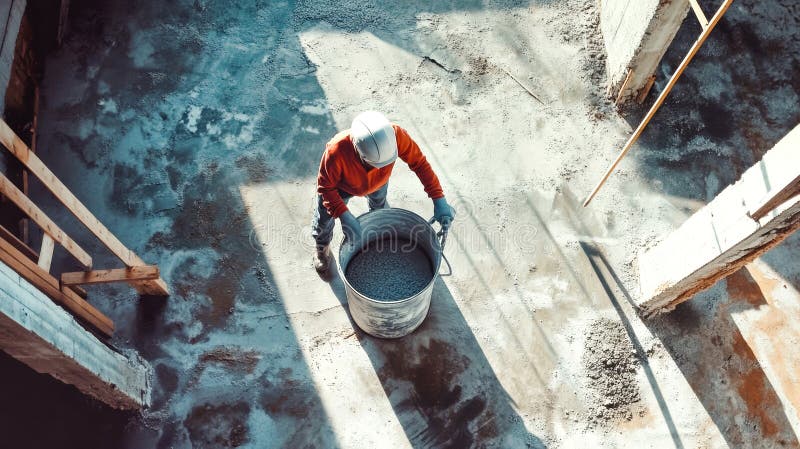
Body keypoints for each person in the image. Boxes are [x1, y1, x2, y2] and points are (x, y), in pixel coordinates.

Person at [311, 111, 455, 280]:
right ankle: (322, 249)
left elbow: (420, 164)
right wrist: (343, 215)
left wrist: (438, 198)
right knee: (324, 220)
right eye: (375, 165)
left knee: (380, 211)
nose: (379, 168)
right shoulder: (336, 151)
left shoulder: (396, 136)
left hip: (378, 184)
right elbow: (325, 188)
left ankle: (380, 240)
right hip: (341, 188)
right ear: (359, 153)